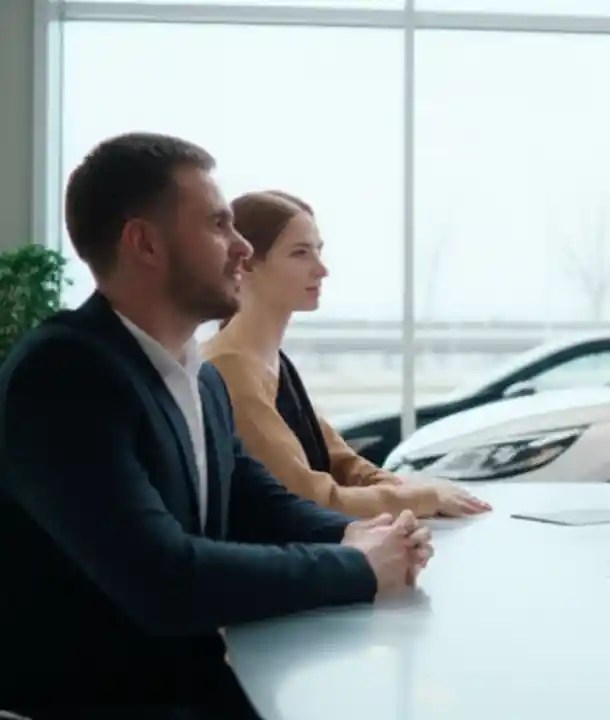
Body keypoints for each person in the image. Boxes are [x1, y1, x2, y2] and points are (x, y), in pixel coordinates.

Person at [0, 133, 432, 718]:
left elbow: (260, 505)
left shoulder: (200, 379)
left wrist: (369, 534)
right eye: (219, 225)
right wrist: (356, 566)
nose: (243, 249)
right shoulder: (62, 376)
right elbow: (165, 579)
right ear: (144, 243)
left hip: (191, 687)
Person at [202, 190, 490, 519]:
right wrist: (423, 498)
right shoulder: (231, 368)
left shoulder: (272, 360)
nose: (321, 269)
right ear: (246, 263)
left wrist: (409, 491)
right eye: (300, 253)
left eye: (318, 251)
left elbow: (343, 462)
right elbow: (311, 498)